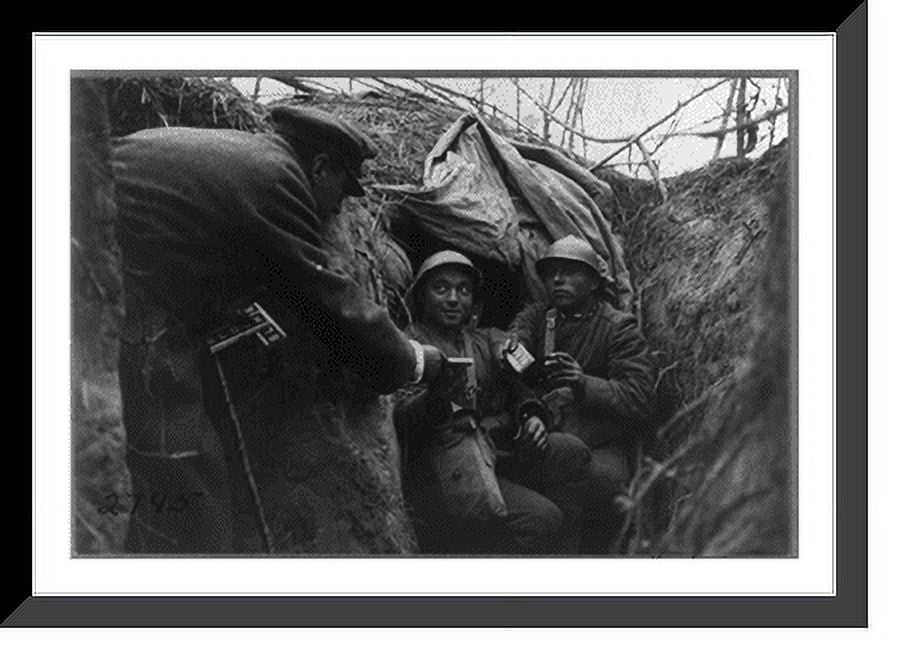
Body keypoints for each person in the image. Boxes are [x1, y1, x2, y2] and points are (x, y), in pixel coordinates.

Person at [112, 106, 445, 553]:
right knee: (189, 470)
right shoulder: (276, 179)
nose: (338, 209)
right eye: (342, 193)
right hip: (115, 298)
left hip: (100, 269)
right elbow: (328, 298)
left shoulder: (236, 156)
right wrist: (410, 361)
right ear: (321, 166)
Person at [395, 250, 593, 554]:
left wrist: (531, 416)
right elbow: (400, 422)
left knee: (570, 452)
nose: (453, 298)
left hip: (493, 451)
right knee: (542, 519)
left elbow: (520, 389)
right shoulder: (409, 348)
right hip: (441, 468)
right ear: (422, 297)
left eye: (463, 290)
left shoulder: (486, 340)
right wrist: (436, 398)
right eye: (441, 288)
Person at [511, 235, 655, 552]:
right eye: (551, 274)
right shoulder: (537, 319)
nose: (557, 280)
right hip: (544, 428)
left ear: (592, 282)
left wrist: (583, 383)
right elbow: (512, 361)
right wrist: (515, 360)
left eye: (569, 272)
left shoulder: (618, 327)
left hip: (597, 439)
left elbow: (640, 397)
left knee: (609, 488)